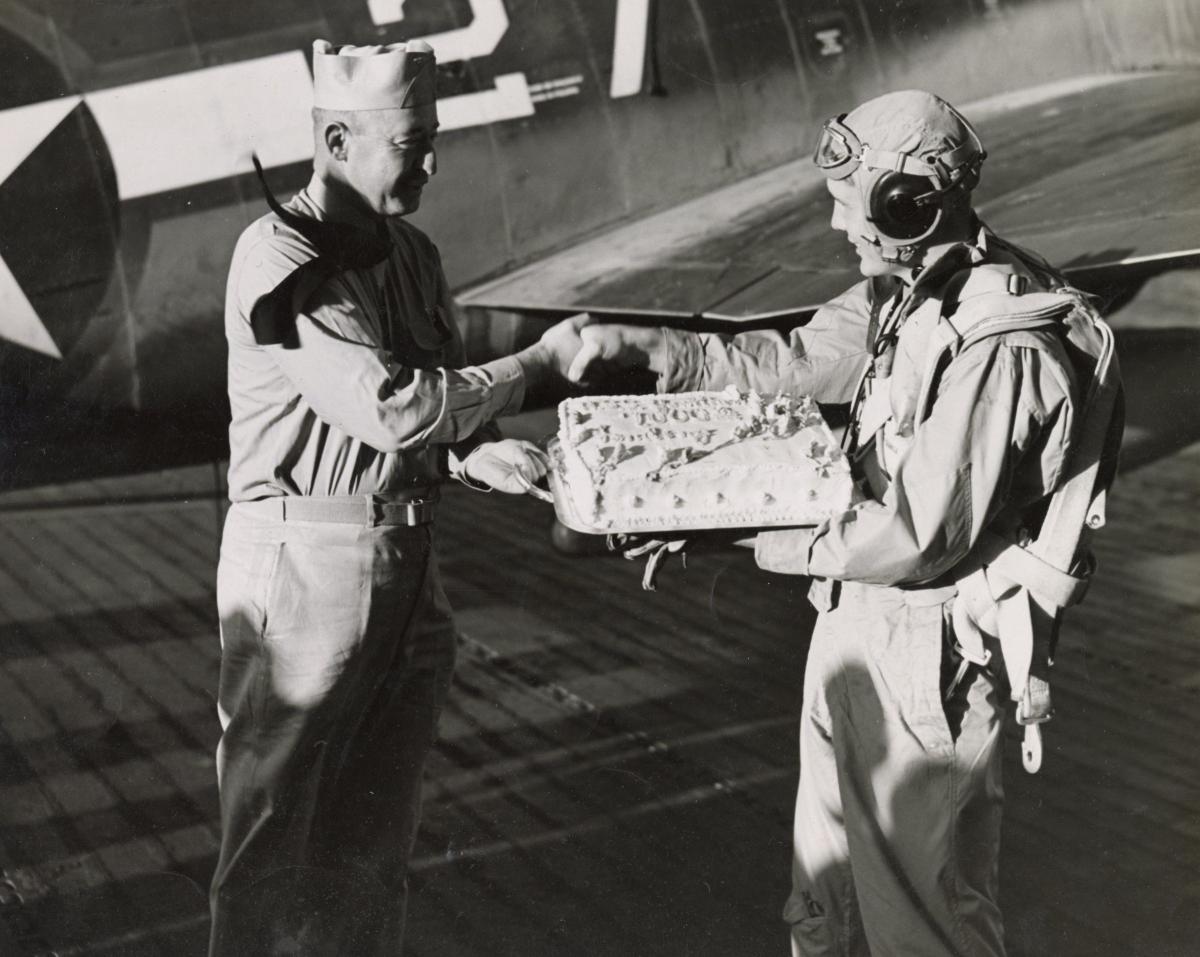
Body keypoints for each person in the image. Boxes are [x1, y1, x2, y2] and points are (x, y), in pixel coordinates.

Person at [567, 90, 1120, 956]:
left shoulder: (1000, 339)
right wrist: (651, 351)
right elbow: (791, 363)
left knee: (921, 923)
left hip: (929, 657)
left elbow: (914, 535)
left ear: (913, 202)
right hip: (854, 626)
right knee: (823, 905)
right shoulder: (904, 291)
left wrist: (734, 529)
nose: (834, 220)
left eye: (852, 197)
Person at [211, 39, 577, 955]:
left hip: (407, 562)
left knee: (374, 845)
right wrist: (535, 369)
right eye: (413, 143)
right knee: (272, 844)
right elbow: (394, 406)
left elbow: (438, 405)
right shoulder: (277, 255)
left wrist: (482, 453)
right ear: (338, 136)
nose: (433, 161)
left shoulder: (410, 251)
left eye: (433, 138)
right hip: (303, 572)